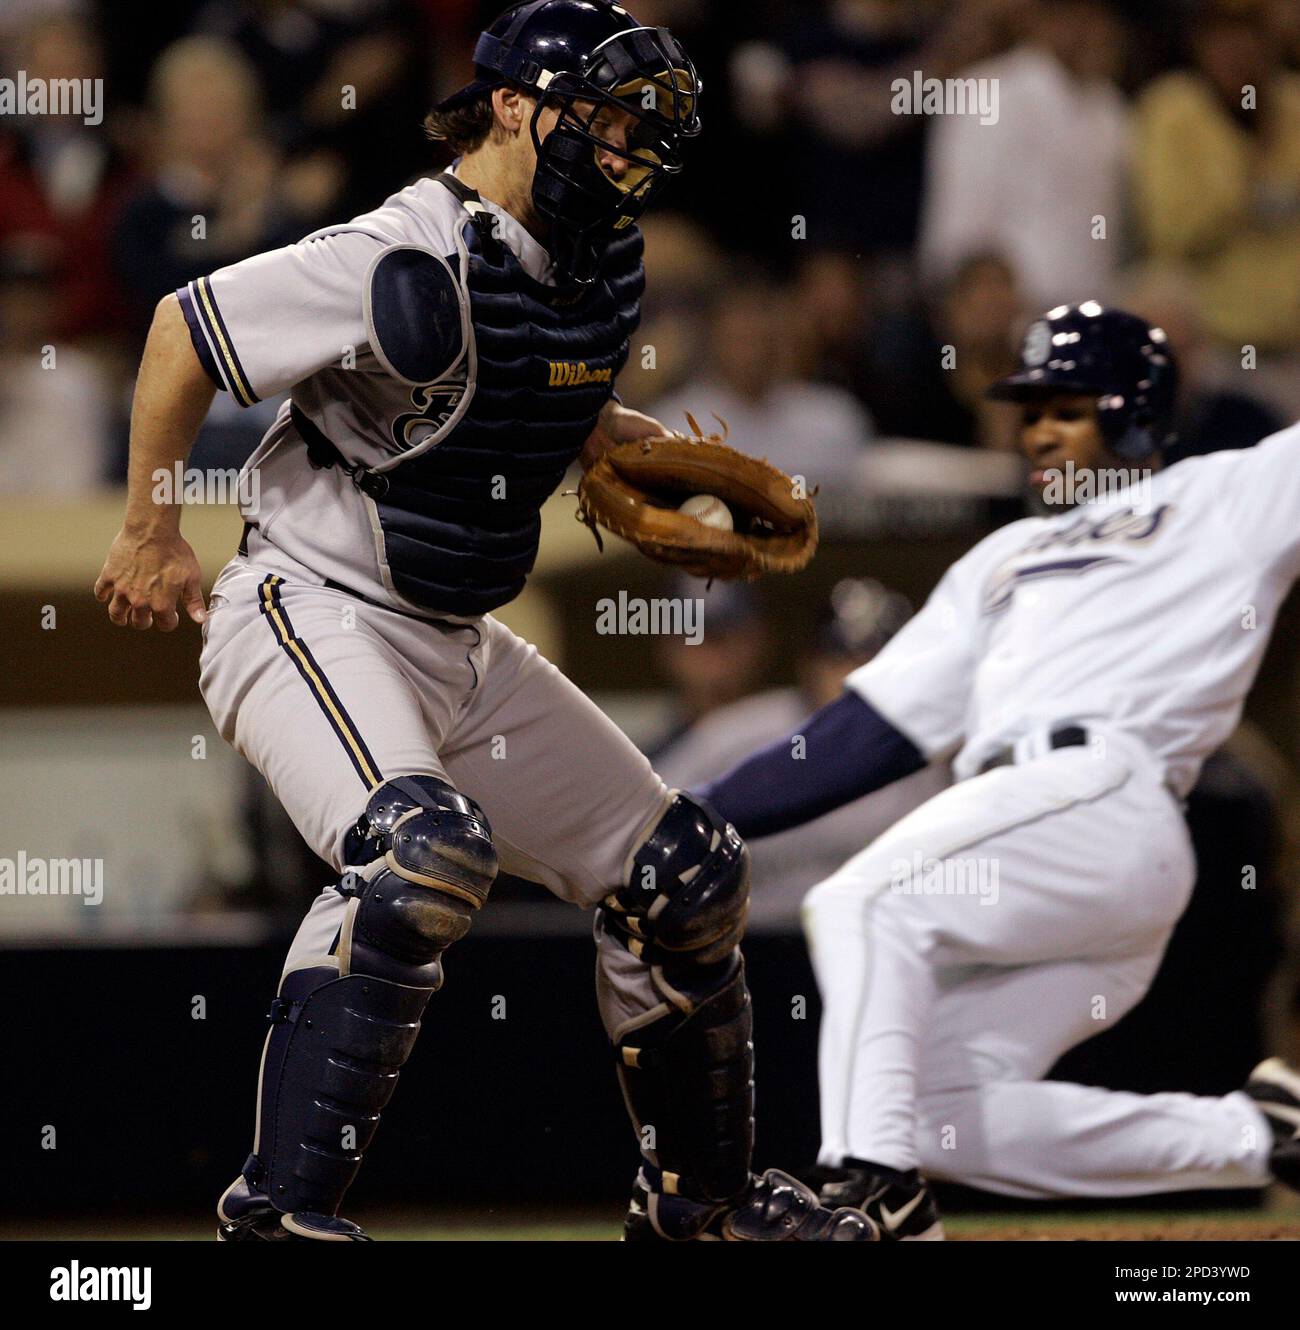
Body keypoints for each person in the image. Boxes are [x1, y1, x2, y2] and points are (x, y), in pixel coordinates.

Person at [92, 0, 876, 1244]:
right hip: (310, 607)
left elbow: (512, 403)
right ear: (515, 103)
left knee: (686, 877)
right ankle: (277, 1215)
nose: (630, 151)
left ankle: (703, 1206)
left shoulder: (591, 260)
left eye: (644, 131)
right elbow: (185, 325)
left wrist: (638, 450)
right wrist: (147, 524)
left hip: (457, 641)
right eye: (611, 121)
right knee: (420, 856)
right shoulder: (400, 250)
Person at [696, 303, 1300, 1238]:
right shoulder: (1001, 557)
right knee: (936, 1109)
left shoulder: (1226, 495)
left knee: (862, 903)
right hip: (1052, 849)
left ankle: (869, 1184)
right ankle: (1252, 1134)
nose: (1037, 432)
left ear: (1138, 412)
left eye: (1066, 407)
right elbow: (867, 733)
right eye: (1029, 412)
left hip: (1107, 795)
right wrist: (689, 814)